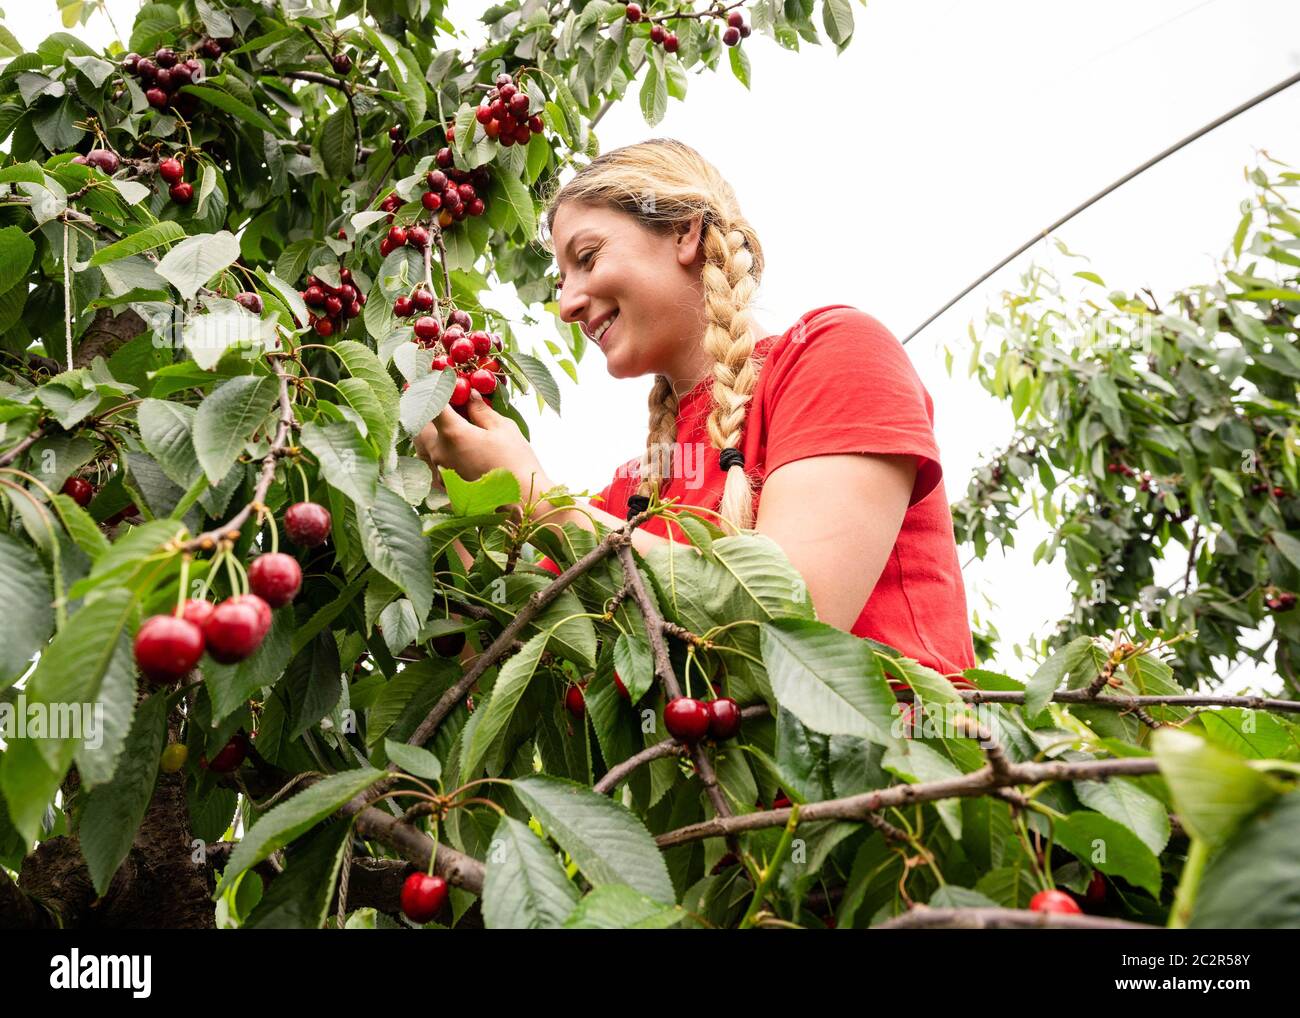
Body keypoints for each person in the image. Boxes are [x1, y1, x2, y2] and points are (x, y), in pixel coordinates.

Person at [414, 138, 976, 686]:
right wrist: (456, 494)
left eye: (587, 258)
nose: (567, 303)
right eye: (562, 280)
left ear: (685, 231)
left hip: (898, 764)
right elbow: (493, 663)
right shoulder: (630, 493)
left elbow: (792, 630)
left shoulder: (836, 353)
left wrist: (535, 498)